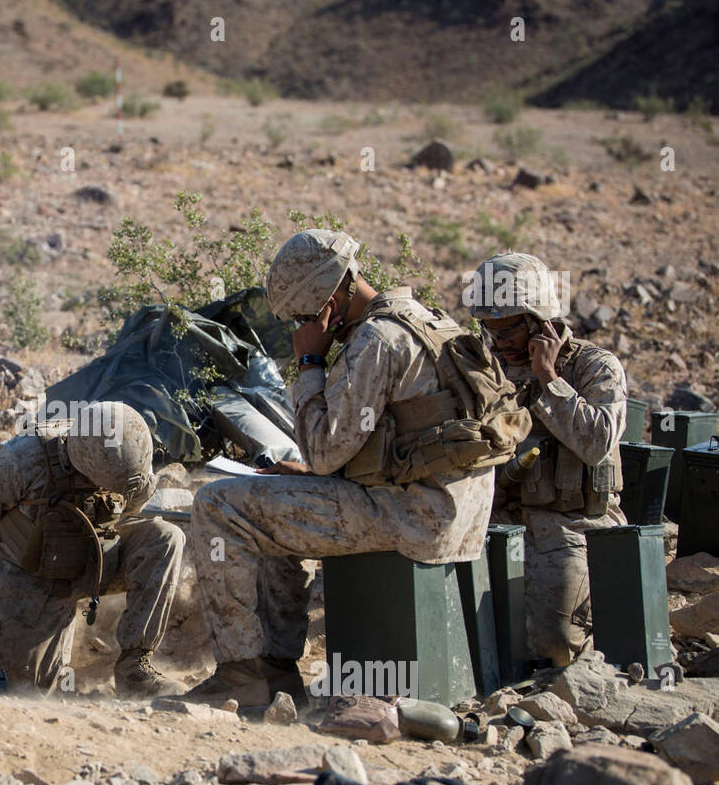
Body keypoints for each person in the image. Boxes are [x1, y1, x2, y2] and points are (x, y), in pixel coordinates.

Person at [181, 229, 525, 706]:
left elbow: (322, 450)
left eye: (304, 317)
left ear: (328, 303)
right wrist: (316, 474)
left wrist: (310, 361)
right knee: (273, 507)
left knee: (218, 505)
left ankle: (246, 674)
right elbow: (393, 442)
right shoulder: (426, 318)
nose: (302, 325)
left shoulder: (375, 342)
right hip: (446, 509)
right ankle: (274, 672)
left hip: (414, 517)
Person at [466, 252, 627, 666]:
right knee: (460, 631)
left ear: (541, 320)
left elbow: (596, 442)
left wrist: (549, 378)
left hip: (570, 526)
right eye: (490, 330)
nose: (500, 342)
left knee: (555, 647)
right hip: (496, 520)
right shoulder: (488, 368)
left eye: (510, 330)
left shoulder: (595, 366)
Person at [0, 401, 185, 697]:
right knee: (26, 688)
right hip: (36, 573)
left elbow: (133, 507)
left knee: (166, 537)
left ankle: (135, 666)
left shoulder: (132, 459)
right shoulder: (20, 459)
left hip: (97, 558)